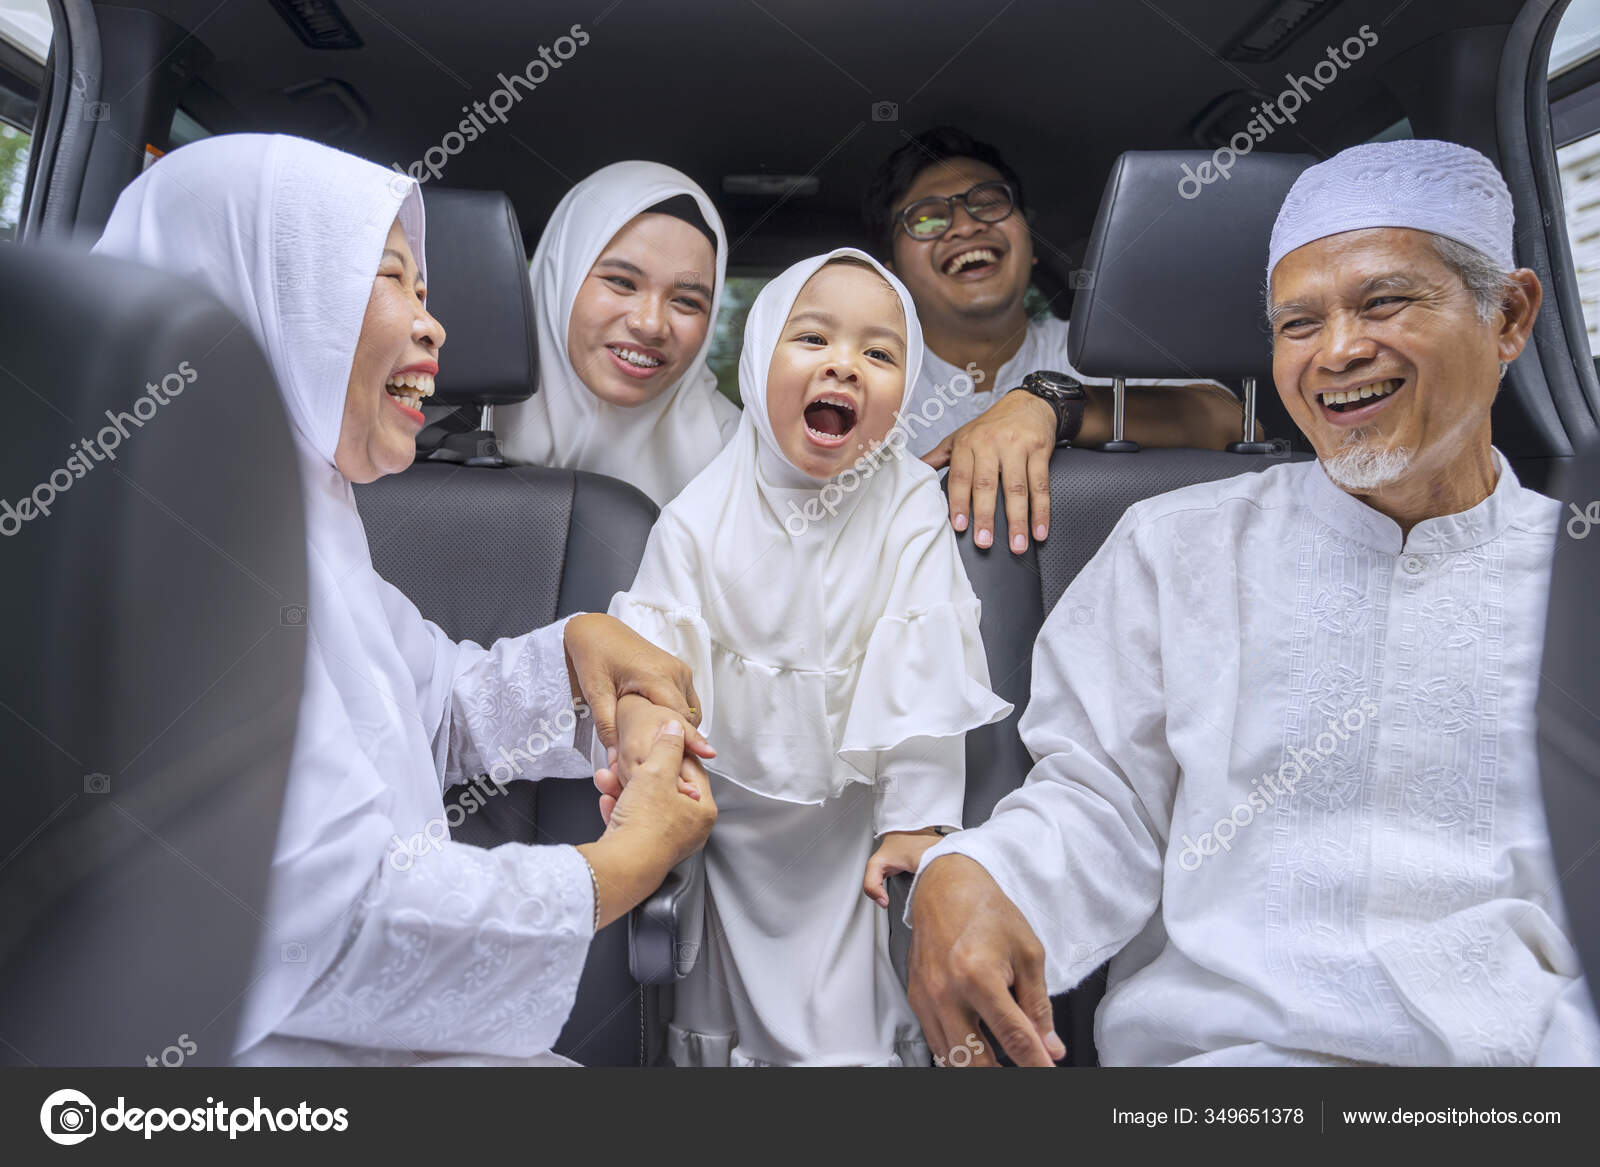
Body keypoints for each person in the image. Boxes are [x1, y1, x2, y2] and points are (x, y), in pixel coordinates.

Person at [905, 139, 1600, 1067]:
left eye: (1384, 301)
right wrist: (973, 872)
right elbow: (1099, 805)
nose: (1340, 350)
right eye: (1298, 323)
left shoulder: (1578, 575)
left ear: (1508, 315)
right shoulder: (1174, 549)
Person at [93, 133, 718, 1066]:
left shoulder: (298, 513)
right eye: (390, 280)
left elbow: (432, 706)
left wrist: (576, 655)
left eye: (427, 293)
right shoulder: (168, 564)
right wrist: (617, 867)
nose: (434, 327)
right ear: (271, 290)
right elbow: (335, 931)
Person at [597, 250, 1010, 1065]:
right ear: (756, 361)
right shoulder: (696, 519)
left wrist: (915, 821)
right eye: (812, 338)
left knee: (852, 1023)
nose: (844, 366)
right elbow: (658, 679)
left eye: (880, 353)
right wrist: (660, 776)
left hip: (857, 837)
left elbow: (922, 673)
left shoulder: (909, 505)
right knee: (724, 1024)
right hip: (724, 833)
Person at [864, 127, 1254, 554]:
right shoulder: (868, 382)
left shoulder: (1101, 350)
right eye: (927, 217)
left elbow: (1237, 422)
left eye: (989, 203)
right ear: (893, 274)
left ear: (1029, 240)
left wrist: (1052, 407)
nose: (964, 225)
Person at [497, 161, 740, 505]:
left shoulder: (740, 463)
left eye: (686, 301)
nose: (651, 324)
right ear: (560, 281)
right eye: (622, 282)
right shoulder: (434, 432)